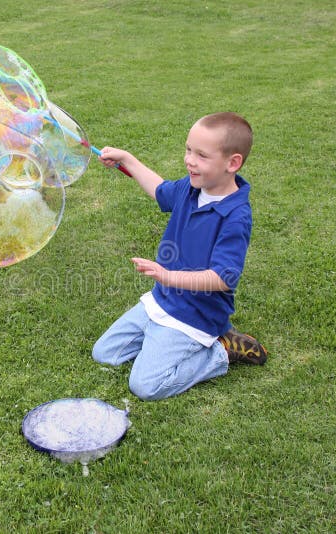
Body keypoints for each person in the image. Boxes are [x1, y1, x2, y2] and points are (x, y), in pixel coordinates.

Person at [92, 112, 267, 401]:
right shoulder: (191, 187)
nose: (189, 160)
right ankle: (158, 340)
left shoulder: (235, 216)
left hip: (194, 316)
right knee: (104, 353)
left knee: (145, 386)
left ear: (232, 163)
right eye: (188, 150)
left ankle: (222, 351)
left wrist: (167, 276)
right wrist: (128, 159)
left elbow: (223, 278)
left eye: (201, 155)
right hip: (162, 301)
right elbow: (161, 191)